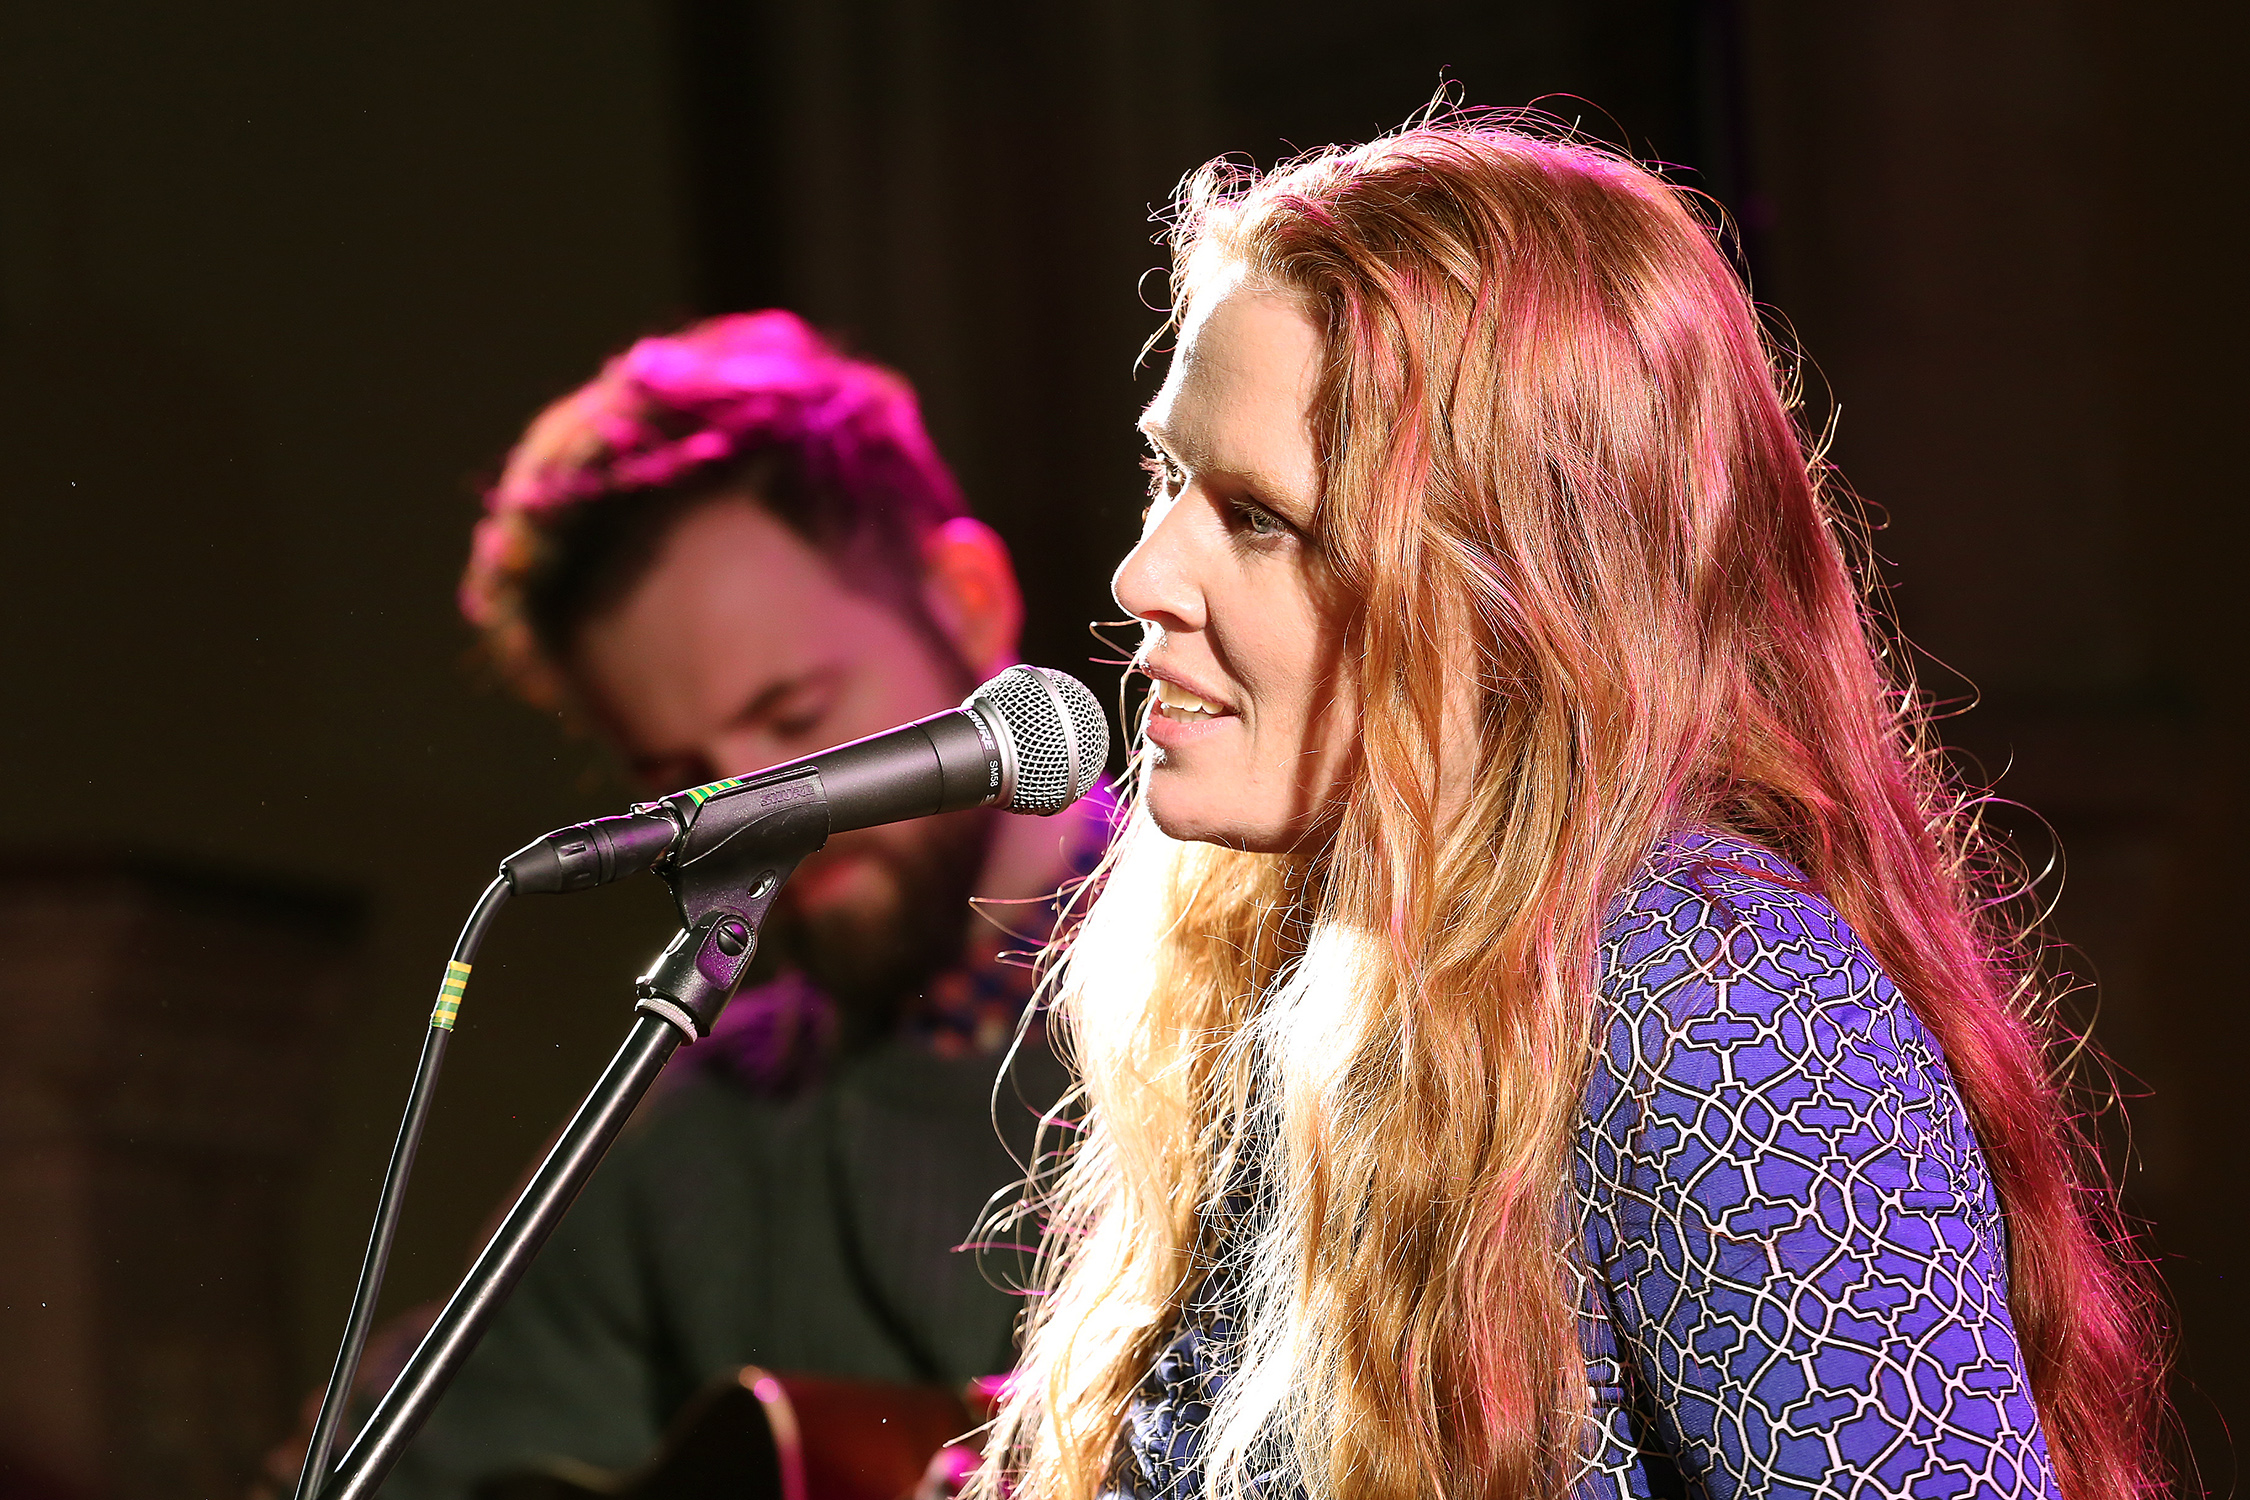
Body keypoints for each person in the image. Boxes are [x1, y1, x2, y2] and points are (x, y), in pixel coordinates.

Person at [974, 122, 2166, 1500]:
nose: (1140, 574)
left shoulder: (1718, 1000)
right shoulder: (1310, 967)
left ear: (1509, 593)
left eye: (1257, 518)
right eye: (1169, 476)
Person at [371, 311, 1105, 1497]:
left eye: (797, 721)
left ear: (967, 603)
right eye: (681, 777)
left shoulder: (1301, 984)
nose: (758, 814)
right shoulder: (688, 1144)